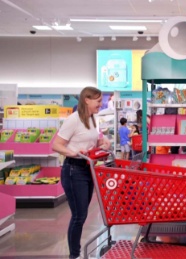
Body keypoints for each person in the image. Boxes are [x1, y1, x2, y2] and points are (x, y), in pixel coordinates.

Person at [52, 86, 111, 259]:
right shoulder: (73, 119)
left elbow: (91, 139)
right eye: (98, 101)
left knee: (82, 213)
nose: (101, 104)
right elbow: (56, 145)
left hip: (87, 169)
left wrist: (103, 141)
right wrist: (74, 153)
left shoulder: (92, 118)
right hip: (73, 169)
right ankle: (75, 255)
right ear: (87, 99)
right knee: (79, 216)